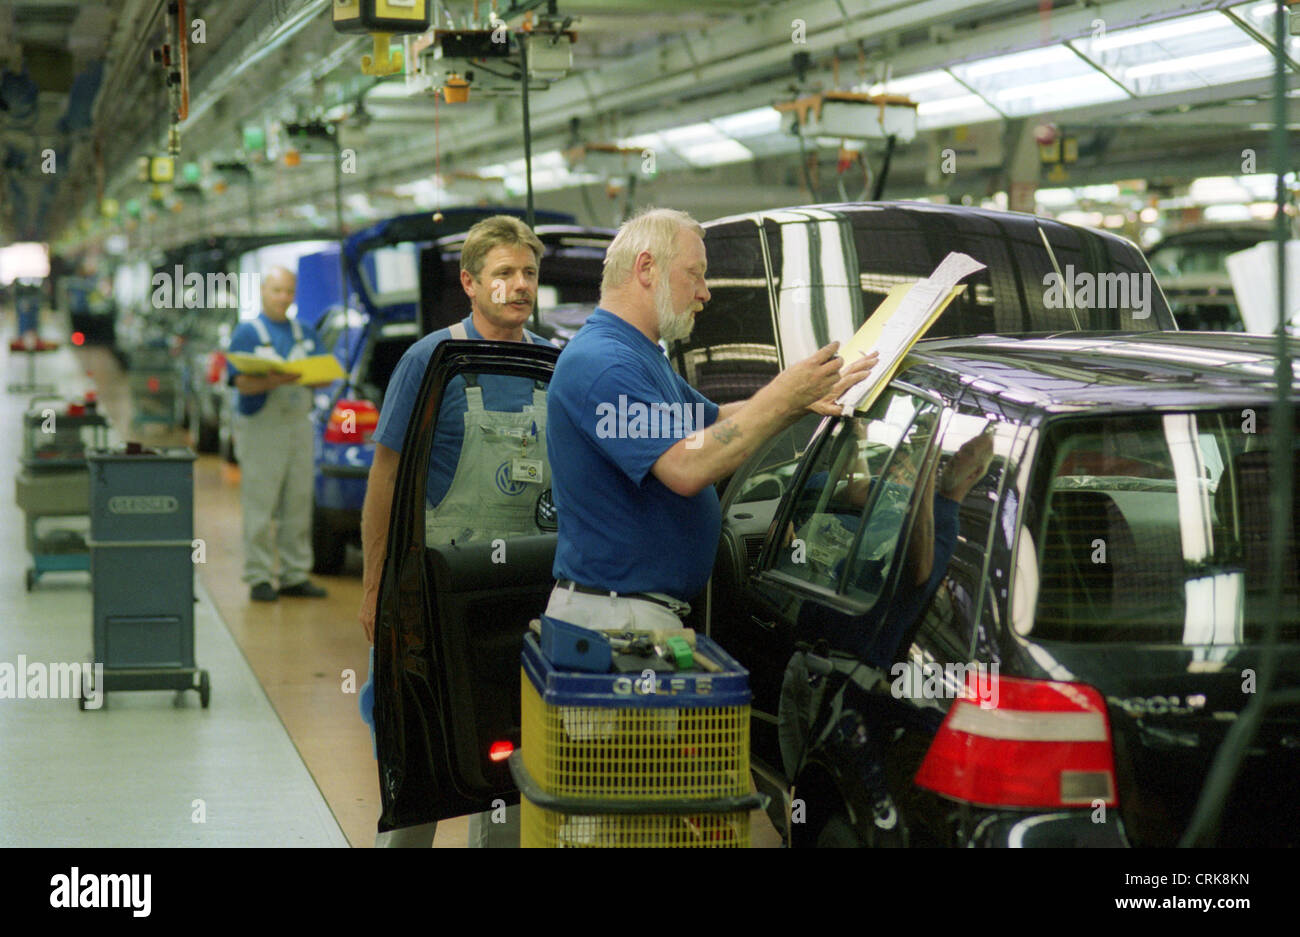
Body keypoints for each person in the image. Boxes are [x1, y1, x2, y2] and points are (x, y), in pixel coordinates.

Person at [544, 207, 878, 631]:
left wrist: (804, 401)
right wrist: (781, 397)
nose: (705, 292)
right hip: (616, 620)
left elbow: (713, 422)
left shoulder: (638, 356)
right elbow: (686, 465)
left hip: (632, 611)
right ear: (646, 268)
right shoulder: (605, 364)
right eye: (695, 274)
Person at [358, 215, 549, 848]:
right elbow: (384, 478)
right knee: (422, 762)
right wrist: (375, 587)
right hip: (436, 590)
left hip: (524, 592)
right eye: (503, 274)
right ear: (469, 282)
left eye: (527, 273)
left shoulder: (554, 362)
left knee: (512, 763)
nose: (518, 286)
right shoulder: (430, 361)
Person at [226, 266, 331, 602]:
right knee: (260, 503)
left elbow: (324, 376)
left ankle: (294, 574)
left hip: (300, 426)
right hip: (262, 428)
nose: (283, 297)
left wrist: (309, 376)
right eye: (276, 291)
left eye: (288, 291)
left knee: (297, 501)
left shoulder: (305, 332)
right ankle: (258, 576)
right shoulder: (248, 333)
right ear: (263, 292)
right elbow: (240, 382)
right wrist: (274, 380)